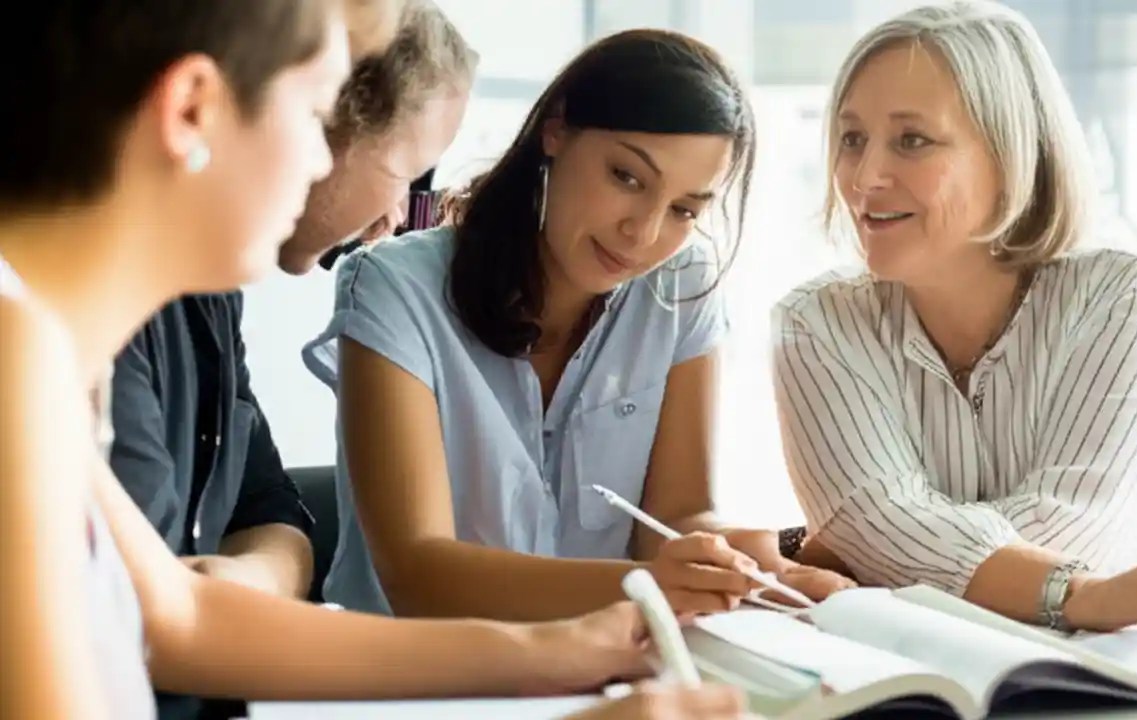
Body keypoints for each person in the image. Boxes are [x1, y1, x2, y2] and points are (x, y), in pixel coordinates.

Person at [0, 2, 741, 718]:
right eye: (318, 112)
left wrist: (555, 650)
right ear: (192, 110)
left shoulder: (42, 353)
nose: (328, 160)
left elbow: (180, 619)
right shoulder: (14, 366)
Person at [303, 28, 855, 622]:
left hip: (595, 671)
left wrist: (742, 565)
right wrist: (647, 586)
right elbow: (420, 573)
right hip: (412, 684)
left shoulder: (680, 285)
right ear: (557, 128)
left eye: (683, 209)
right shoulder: (394, 288)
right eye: (627, 177)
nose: (642, 234)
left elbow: (675, 519)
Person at [772, 0, 1137, 634]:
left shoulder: (1123, 297)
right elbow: (874, 522)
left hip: (1105, 675)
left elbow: (1087, 533)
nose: (864, 177)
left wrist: (874, 555)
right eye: (852, 139)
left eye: (912, 140)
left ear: (1014, 153)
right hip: (907, 670)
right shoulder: (814, 324)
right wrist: (1073, 589)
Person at [107, 3, 475, 716]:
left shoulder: (210, 297)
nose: (399, 217)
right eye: (404, 173)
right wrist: (566, 652)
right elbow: (160, 626)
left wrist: (243, 584)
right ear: (196, 106)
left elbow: (270, 508)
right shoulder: (55, 342)